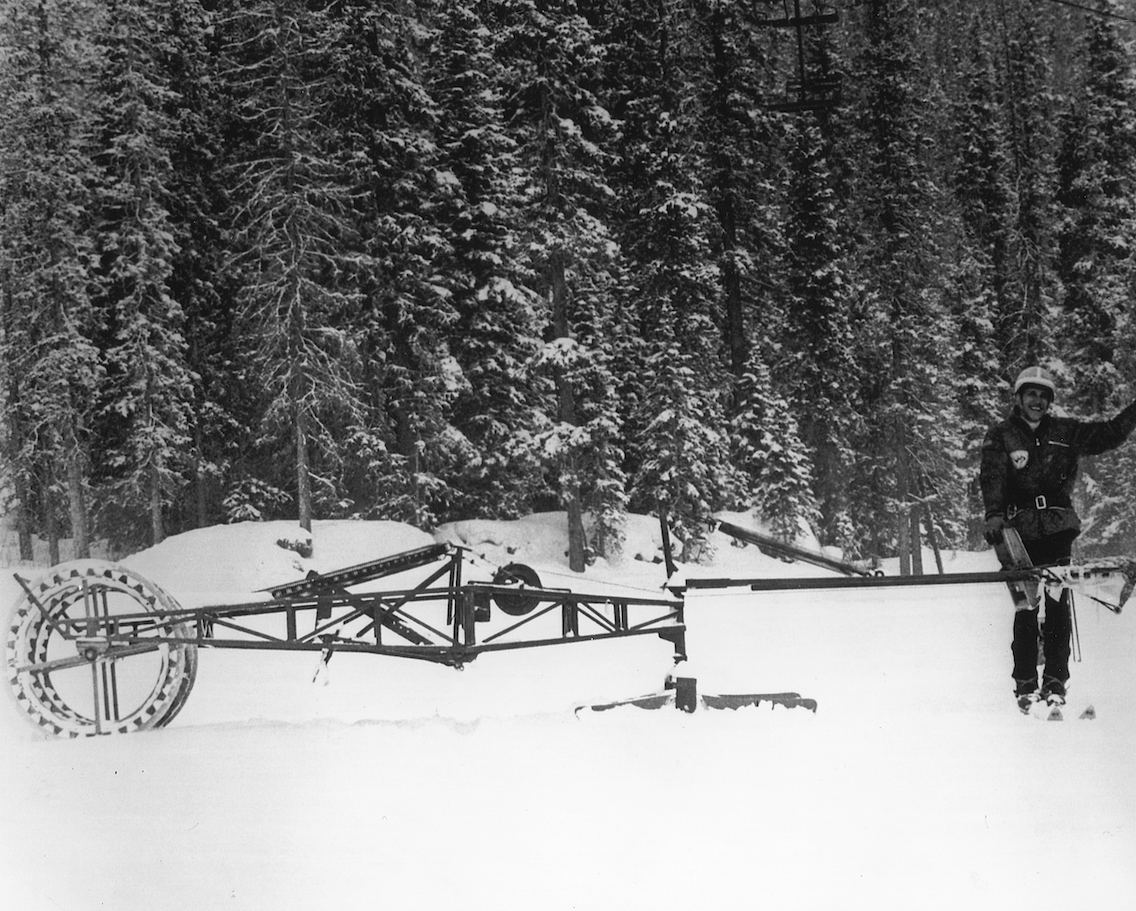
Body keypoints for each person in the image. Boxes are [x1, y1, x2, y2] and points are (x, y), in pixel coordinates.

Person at [980, 366, 1136, 712]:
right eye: (1031, 394)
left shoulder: (1066, 432)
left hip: (1058, 527)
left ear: (1049, 401)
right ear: (1019, 398)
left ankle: (1055, 683)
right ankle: (1024, 684)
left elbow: (1108, 434)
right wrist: (994, 515)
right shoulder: (1002, 435)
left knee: (1057, 602)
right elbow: (992, 477)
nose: (1037, 401)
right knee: (1026, 605)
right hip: (1019, 533)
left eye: (1043, 395)